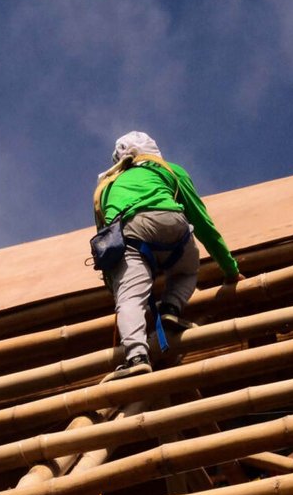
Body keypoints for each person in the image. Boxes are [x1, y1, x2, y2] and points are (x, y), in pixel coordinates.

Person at [92, 131, 241, 380]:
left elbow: (105, 241)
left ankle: (137, 358)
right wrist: (230, 270)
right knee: (188, 269)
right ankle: (170, 309)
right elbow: (202, 223)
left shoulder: (105, 186)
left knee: (129, 300)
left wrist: (114, 285)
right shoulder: (170, 170)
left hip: (128, 233)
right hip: (170, 222)